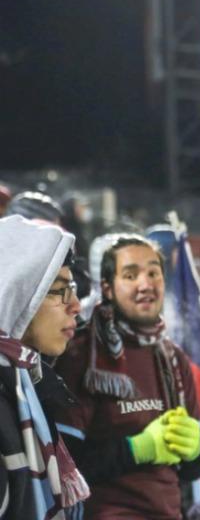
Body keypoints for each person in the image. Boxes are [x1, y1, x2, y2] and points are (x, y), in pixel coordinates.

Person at [55, 234, 200, 518]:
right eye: (130, 275)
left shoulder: (172, 357)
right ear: (108, 288)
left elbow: (195, 468)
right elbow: (63, 467)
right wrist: (137, 449)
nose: (146, 284)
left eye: (154, 272)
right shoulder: (81, 354)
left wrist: (196, 450)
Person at [0, 215, 90, 518]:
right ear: (17, 293)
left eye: (73, 287)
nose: (76, 304)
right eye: (59, 289)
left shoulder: (26, 387)